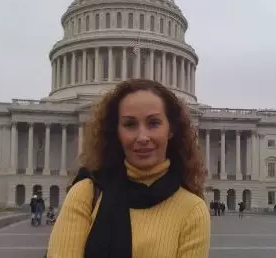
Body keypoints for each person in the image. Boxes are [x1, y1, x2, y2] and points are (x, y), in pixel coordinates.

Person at [47, 79, 211, 258]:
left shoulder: (192, 211)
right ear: (117, 132)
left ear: (171, 129)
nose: (142, 137)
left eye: (153, 123)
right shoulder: (86, 193)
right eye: (130, 124)